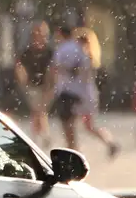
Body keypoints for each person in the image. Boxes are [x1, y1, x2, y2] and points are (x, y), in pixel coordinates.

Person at [48, 26, 119, 155]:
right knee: (89, 126)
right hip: (86, 94)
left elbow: (55, 68)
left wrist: (54, 85)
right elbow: (85, 74)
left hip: (69, 92)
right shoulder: (86, 53)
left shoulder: (63, 49)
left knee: (68, 126)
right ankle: (109, 142)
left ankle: (74, 153)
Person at [14, 22, 52, 148]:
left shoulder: (48, 52)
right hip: (32, 86)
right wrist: (22, 80)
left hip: (46, 86)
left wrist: (51, 84)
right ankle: (40, 137)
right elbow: (19, 66)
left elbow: (53, 69)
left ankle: (41, 136)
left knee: (41, 111)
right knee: (37, 111)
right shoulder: (28, 52)